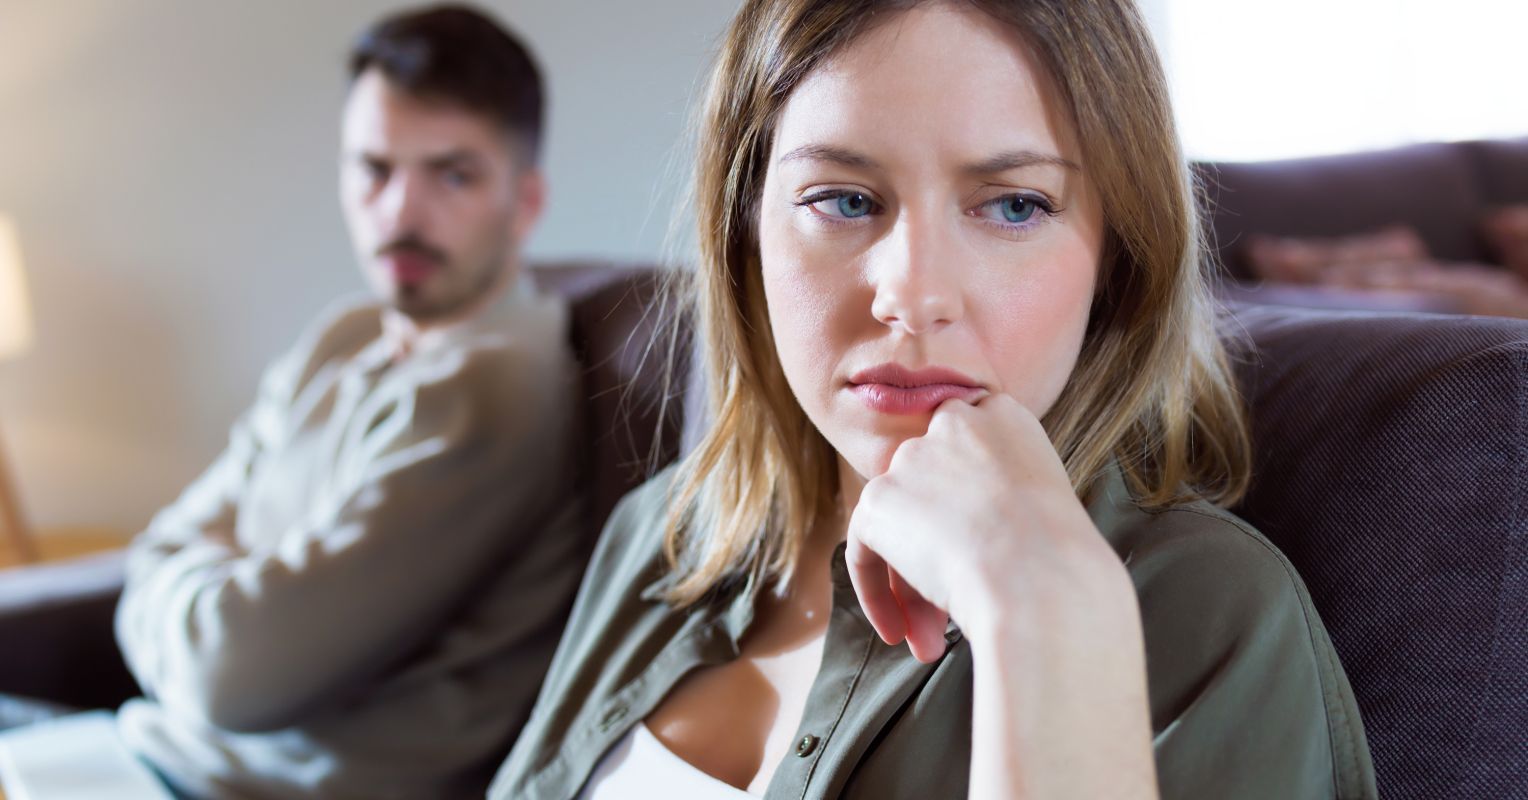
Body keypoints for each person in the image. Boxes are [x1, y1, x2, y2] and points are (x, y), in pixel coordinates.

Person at [489, 1, 1377, 798]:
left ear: (1118, 257)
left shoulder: (1210, 610)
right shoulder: (664, 531)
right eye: (844, 199)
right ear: (746, 233)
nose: (912, 296)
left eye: (1015, 207)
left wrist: (1041, 611)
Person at [104, 5, 585, 798]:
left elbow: (230, 675)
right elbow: (160, 545)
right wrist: (204, 595)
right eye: (374, 169)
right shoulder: (346, 334)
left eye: (453, 175)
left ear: (525, 201)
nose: (399, 213)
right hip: (158, 754)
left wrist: (204, 577)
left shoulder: (493, 389)